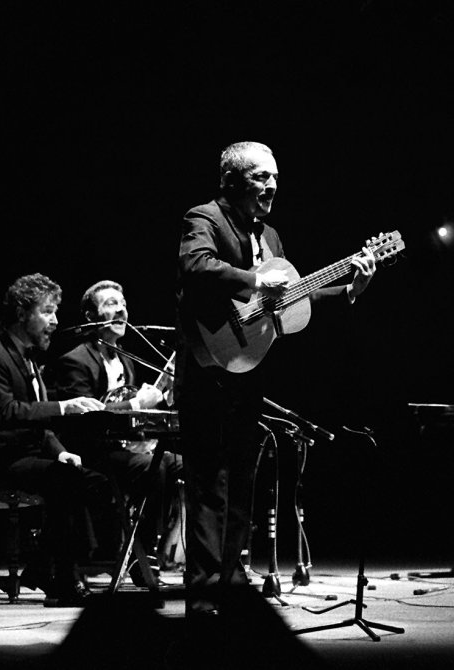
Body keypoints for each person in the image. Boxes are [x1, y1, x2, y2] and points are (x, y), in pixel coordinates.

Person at [175, 141, 376, 617]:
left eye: (275, 178)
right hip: (205, 371)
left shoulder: (271, 237)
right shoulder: (203, 218)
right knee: (208, 482)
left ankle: (232, 581)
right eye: (261, 177)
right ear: (231, 180)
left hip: (248, 372)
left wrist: (349, 288)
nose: (271, 187)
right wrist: (253, 280)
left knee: (243, 479)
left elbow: (293, 299)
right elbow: (196, 265)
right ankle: (202, 595)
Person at [0, 273, 107, 606]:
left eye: (55, 312)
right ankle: (64, 580)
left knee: (93, 480)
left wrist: (61, 452)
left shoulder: (28, 355)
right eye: (47, 311)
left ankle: (43, 565)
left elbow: (41, 427)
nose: (55, 321)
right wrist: (63, 406)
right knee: (67, 480)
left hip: (23, 457)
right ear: (22, 312)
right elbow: (6, 412)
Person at [46, 279, 184, 578]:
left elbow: (131, 413)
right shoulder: (74, 361)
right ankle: (139, 555)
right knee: (154, 467)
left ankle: (168, 550)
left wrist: (161, 398)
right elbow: (86, 419)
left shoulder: (125, 359)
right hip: (90, 452)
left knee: (179, 464)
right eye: (111, 304)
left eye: (123, 304)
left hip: (124, 449)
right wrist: (136, 403)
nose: (121, 310)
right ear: (90, 317)